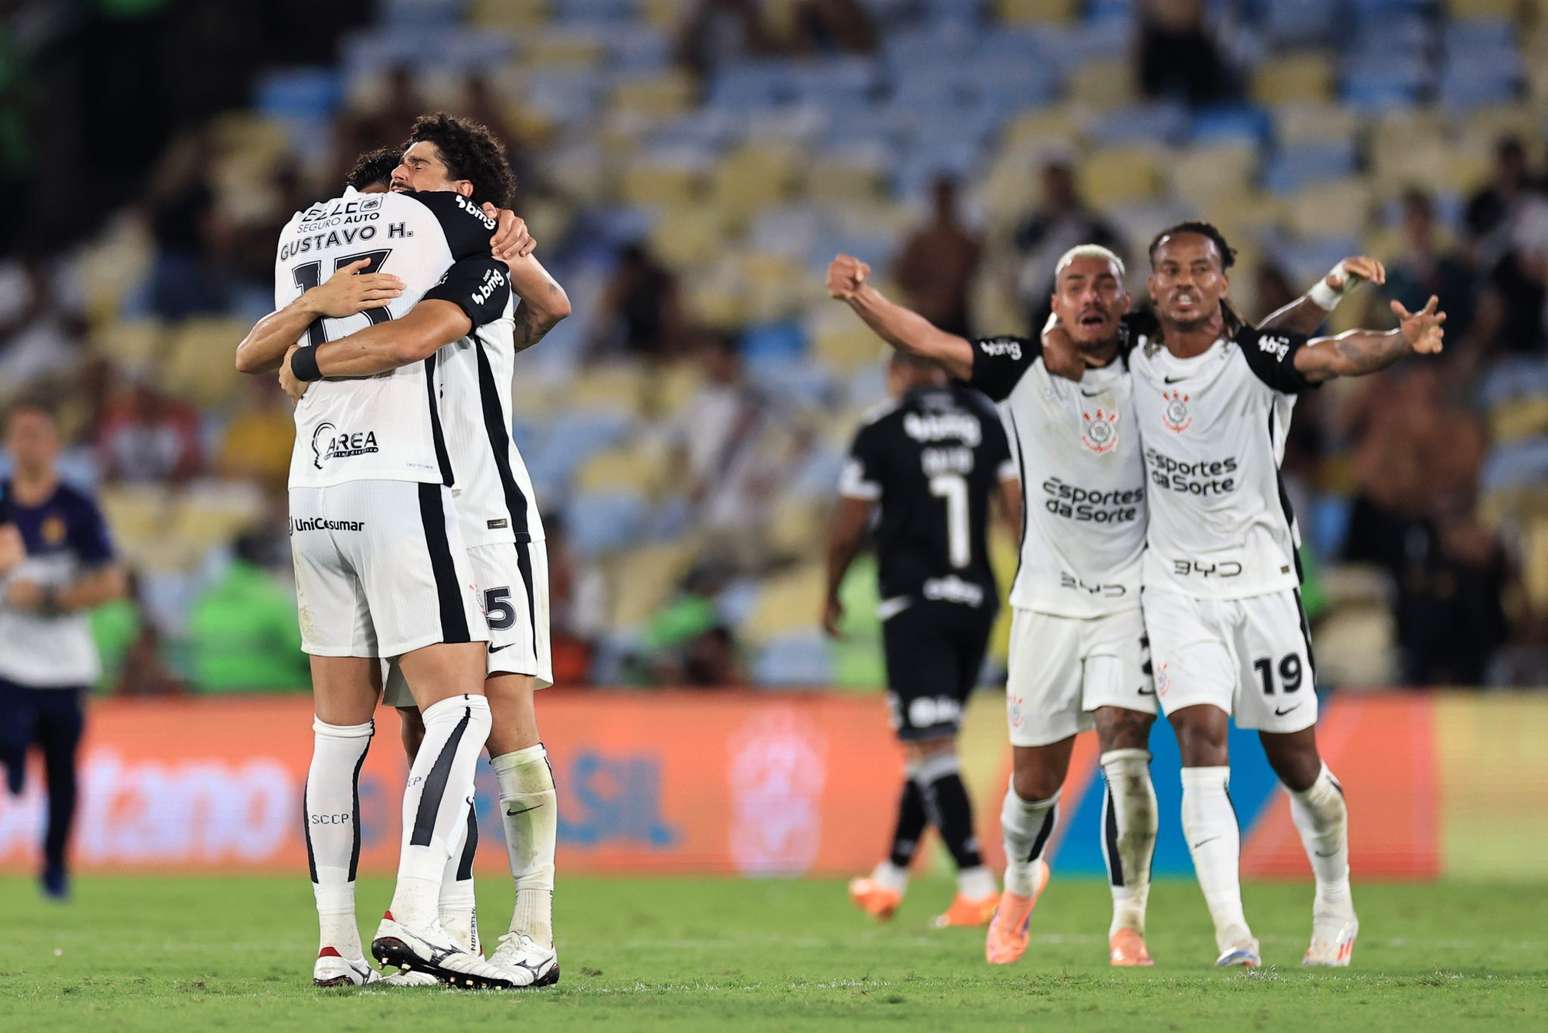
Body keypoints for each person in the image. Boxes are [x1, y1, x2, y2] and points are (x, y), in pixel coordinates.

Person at [258, 122, 571, 987]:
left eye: (418, 165)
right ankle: (444, 928)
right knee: (421, 723)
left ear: (465, 189)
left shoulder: (479, 260)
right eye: (395, 168)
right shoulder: (412, 262)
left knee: (501, 717)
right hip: (410, 505)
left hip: (485, 517)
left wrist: (512, 244)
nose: (400, 175)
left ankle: (534, 929)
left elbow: (550, 305)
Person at [1082, 222, 1441, 968]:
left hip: (1265, 586)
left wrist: (1399, 342)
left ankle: (1336, 901)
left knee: (1296, 761)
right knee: (1199, 743)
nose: (1184, 280)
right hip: (1175, 587)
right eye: (1170, 269)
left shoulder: (1256, 359)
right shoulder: (1131, 353)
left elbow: (1336, 354)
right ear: (1153, 285)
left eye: (1200, 268)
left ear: (1223, 282)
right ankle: (1233, 937)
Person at [823, 346, 1021, 931]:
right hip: (975, 602)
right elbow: (1015, 505)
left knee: (931, 742)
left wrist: (831, 589)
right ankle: (890, 876)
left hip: (914, 602)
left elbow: (849, 523)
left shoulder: (881, 426)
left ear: (897, 374)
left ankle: (977, 884)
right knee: (928, 740)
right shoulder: (986, 417)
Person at [0, 400, 127, 899]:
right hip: (8, 656)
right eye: (21, 435)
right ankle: (12, 757)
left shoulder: (75, 507)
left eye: (38, 435)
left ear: (53, 445)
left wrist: (51, 597)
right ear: (11, 444)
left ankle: (55, 866)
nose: (29, 445)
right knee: (10, 732)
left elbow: (111, 583)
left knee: (61, 771)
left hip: (65, 662)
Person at [893, 175, 981, 339]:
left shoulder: (967, 242)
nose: (943, 203)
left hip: (958, 320)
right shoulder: (919, 242)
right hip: (927, 320)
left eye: (946, 198)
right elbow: (901, 277)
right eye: (940, 197)